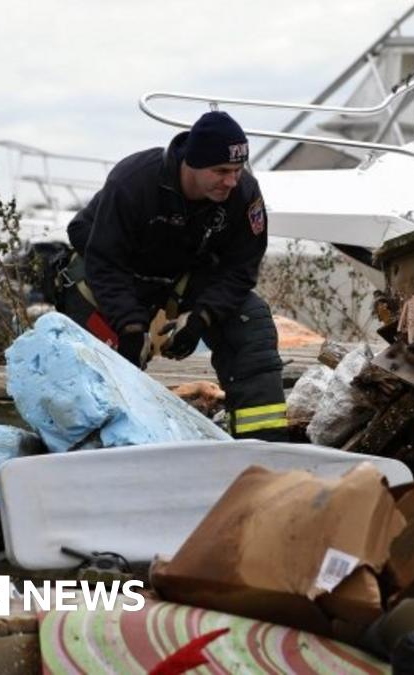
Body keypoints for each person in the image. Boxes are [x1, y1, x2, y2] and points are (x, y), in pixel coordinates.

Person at [55, 110, 287, 441]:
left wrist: (201, 318)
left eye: (237, 170)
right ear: (192, 163)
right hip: (115, 277)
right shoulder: (132, 181)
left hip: (184, 276)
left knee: (252, 321)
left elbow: (241, 268)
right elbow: (105, 262)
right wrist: (131, 327)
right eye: (221, 171)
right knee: (95, 358)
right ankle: (92, 446)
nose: (231, 181)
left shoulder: (244, 194)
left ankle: (263, 443)